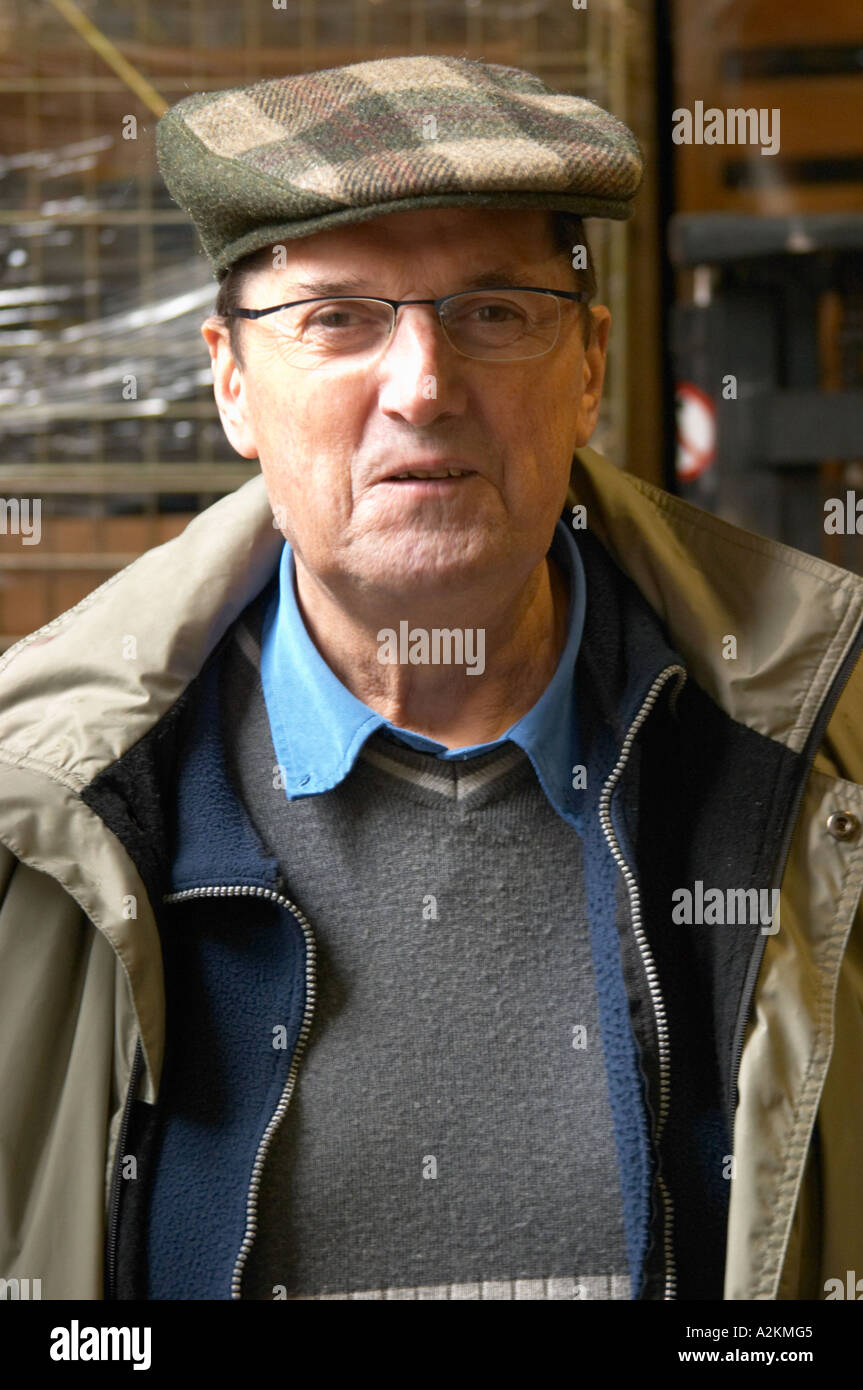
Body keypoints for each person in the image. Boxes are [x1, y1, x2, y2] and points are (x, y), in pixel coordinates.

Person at [1, 54, 862, 1303]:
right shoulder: (45, 818)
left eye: (494, 312)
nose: (420, 386)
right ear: (231, 380)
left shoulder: (819, 757)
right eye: (338, 318)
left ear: (587, 368)